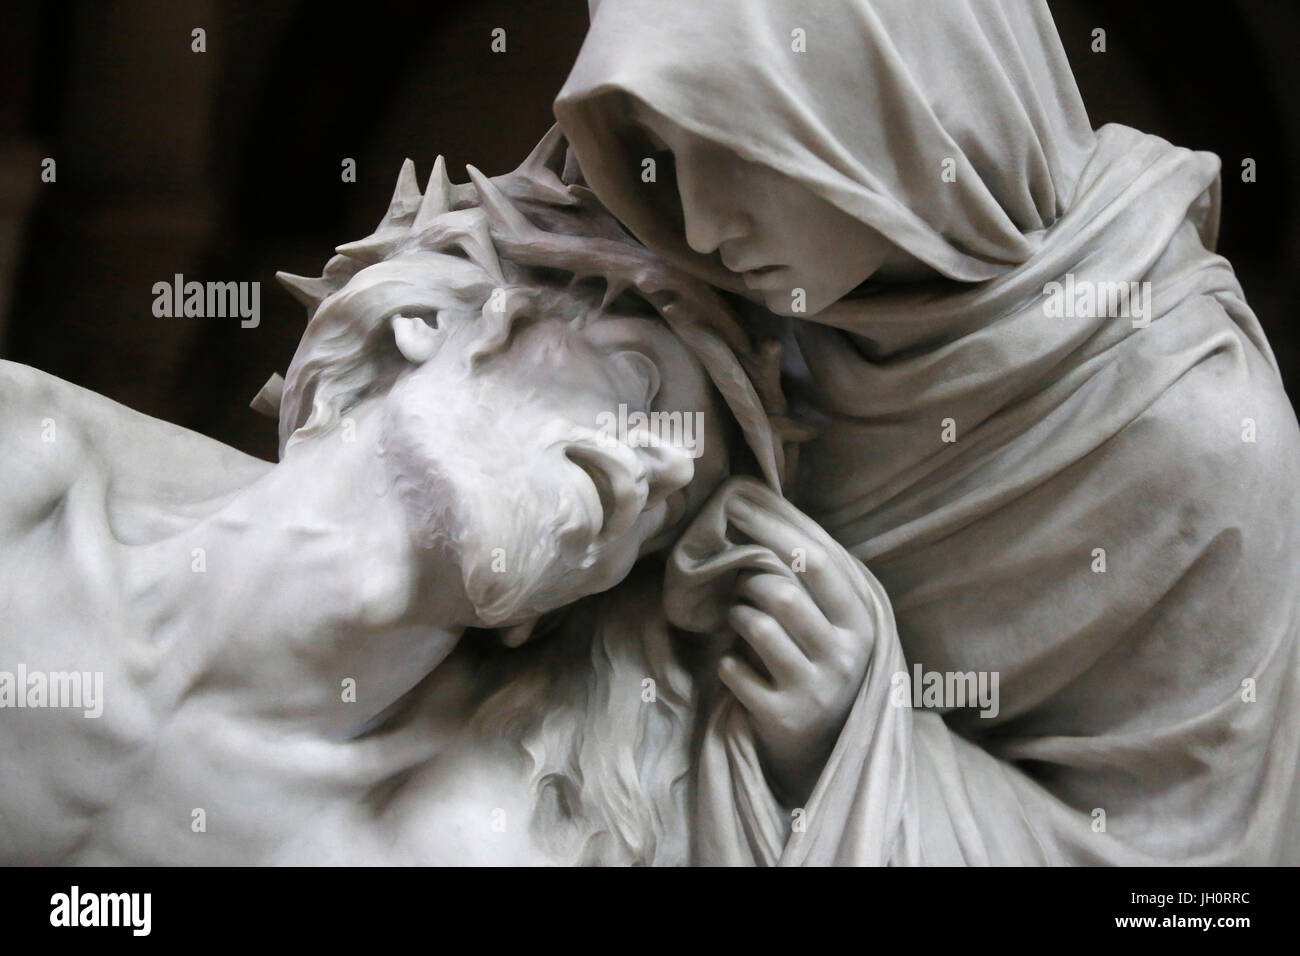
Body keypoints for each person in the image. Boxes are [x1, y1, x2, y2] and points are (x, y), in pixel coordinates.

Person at [553, 0, 1300, 864]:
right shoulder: (703, 309)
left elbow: (1199, 899)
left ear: (888, 98)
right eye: (669, 155)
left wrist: (853, 741)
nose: (703, 223)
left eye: (732, 148)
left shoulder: (1199, 433)